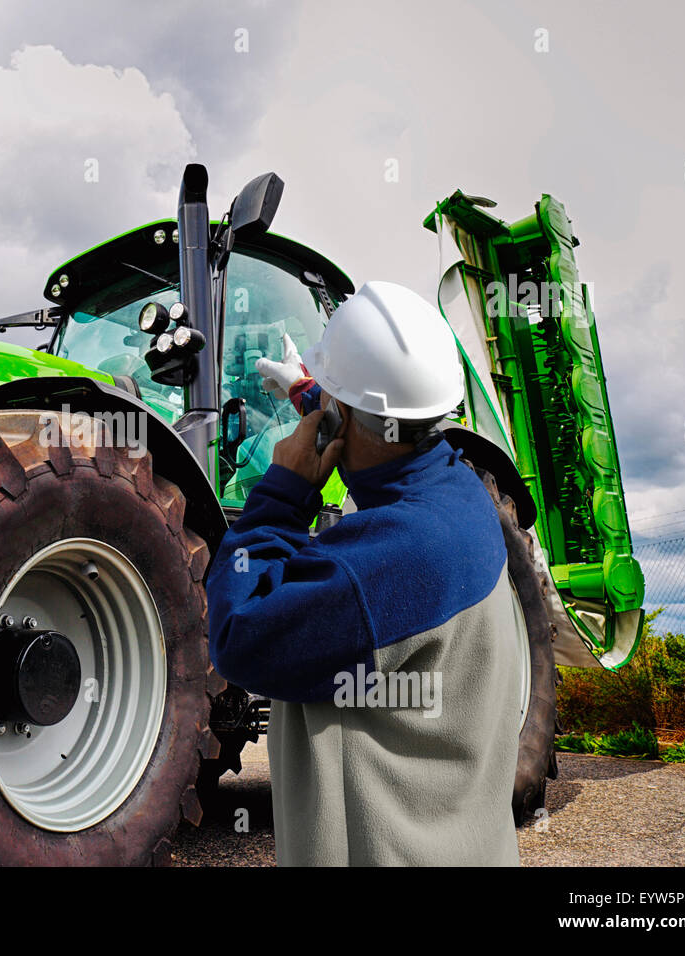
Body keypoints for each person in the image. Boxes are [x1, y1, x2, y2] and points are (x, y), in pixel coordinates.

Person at [206, 280, 524, 866]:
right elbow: (381, 424)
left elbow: (236, 633)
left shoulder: (384, 561)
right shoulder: (460, 497)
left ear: (345, 420)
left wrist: (282, 496)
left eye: (331, 400)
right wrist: (316, 396)